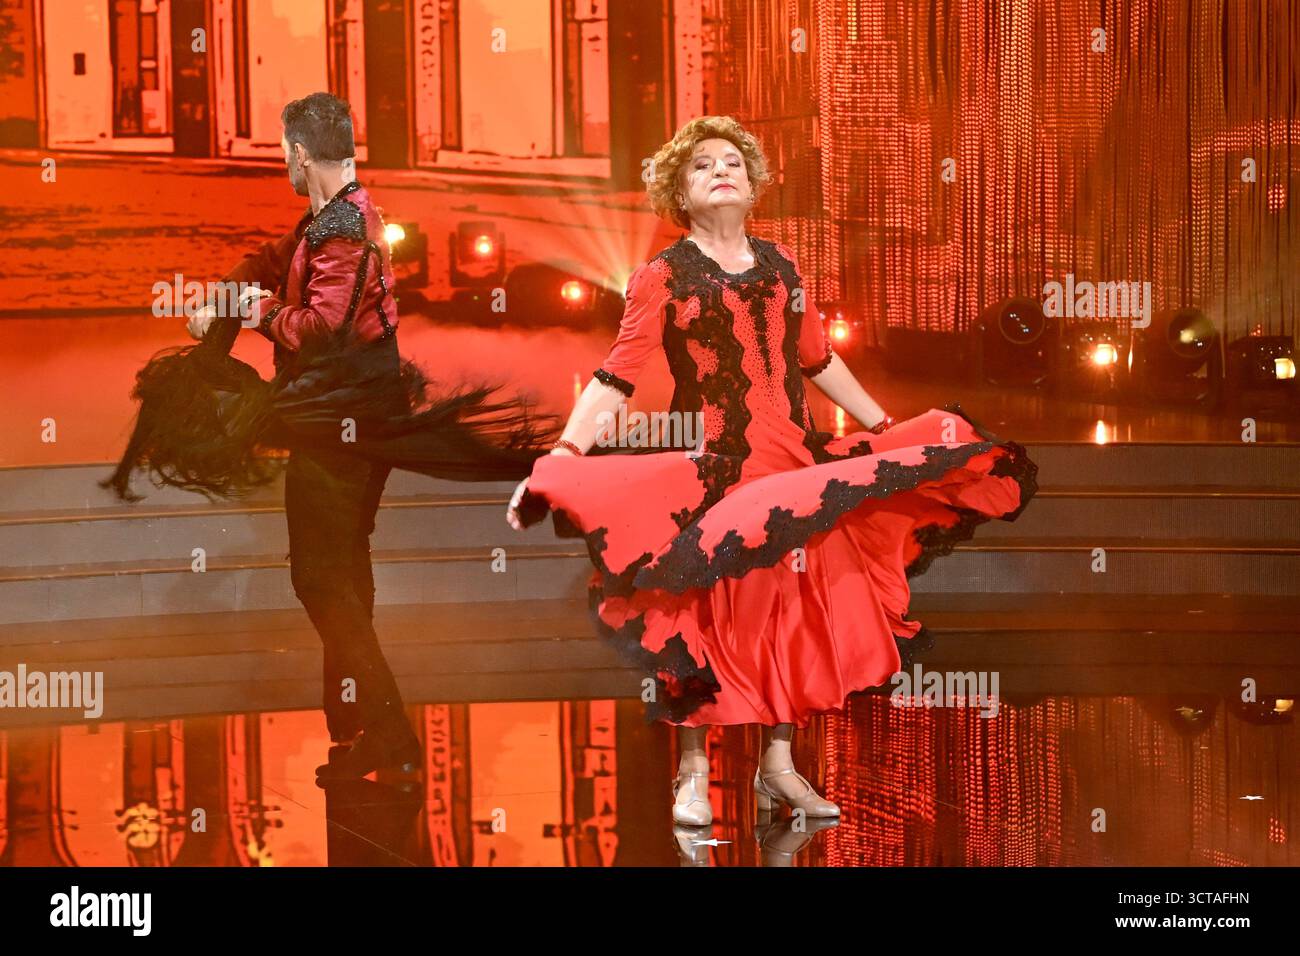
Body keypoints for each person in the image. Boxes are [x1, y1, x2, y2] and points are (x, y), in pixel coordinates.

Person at [506, 115, 1038, 825]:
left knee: (797, 613)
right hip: (722, 472)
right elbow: (616, 377)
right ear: (680, 193)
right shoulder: (662, 275)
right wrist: (566, 455)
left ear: (753, 184)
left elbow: (818, 358)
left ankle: (778, 768)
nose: (721, 170)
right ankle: (692, 775)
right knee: (704, 614)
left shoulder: (782, 263)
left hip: (796, 468)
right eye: (702, 166)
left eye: (733, 161)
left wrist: (884, 433)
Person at [103, 93, 553, 780]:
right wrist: (222, 298)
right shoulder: (327, 218)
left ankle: (391, 734)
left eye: (285, 152)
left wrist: (257, 312)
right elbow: (268, 257)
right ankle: (362, 729)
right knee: (341, 569)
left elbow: (322, 331)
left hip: (341, 422)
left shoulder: (343, 229)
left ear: (300, 154)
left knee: (319, 577)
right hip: (342, 413)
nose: (283, 161)